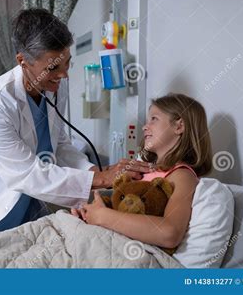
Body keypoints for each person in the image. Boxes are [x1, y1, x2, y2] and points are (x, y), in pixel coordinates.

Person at [0, 8, 151, 243]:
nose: (64, 76)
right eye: (52, 68)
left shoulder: (53, 86)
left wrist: (95, 172)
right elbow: (27, 173)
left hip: (23, 202)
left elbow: (58, 144)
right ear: (22, 61)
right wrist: (102, 179)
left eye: (67, 64)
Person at [71, 93, 212, 250]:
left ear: (179, 126)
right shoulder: (144, 169)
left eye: (154, 119)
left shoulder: (182, 176)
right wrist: (89, 213)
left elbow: (170, 233)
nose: (145, 126)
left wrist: (103, 217)